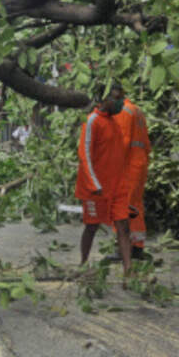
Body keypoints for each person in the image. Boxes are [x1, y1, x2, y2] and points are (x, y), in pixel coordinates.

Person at [75, 83, 133, 275]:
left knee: (123, 226)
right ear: (104, 99)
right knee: (91, 226)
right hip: (96, 188)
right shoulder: (92, 121)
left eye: (122, 98)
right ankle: (83, 263)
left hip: (117, 187)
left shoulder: (114, 123)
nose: (120, 103)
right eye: (116, 98)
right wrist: (94, 184)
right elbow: (85, 154)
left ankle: (129, 271)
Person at [112, 90, 151, 261]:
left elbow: (122, 142)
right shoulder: (137, 110)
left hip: (128, 166)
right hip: (140, 164)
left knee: (123, 206)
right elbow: (147, 143)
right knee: (135, 206)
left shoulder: (123, 111)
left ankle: (124, 248)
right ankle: (137, 247)